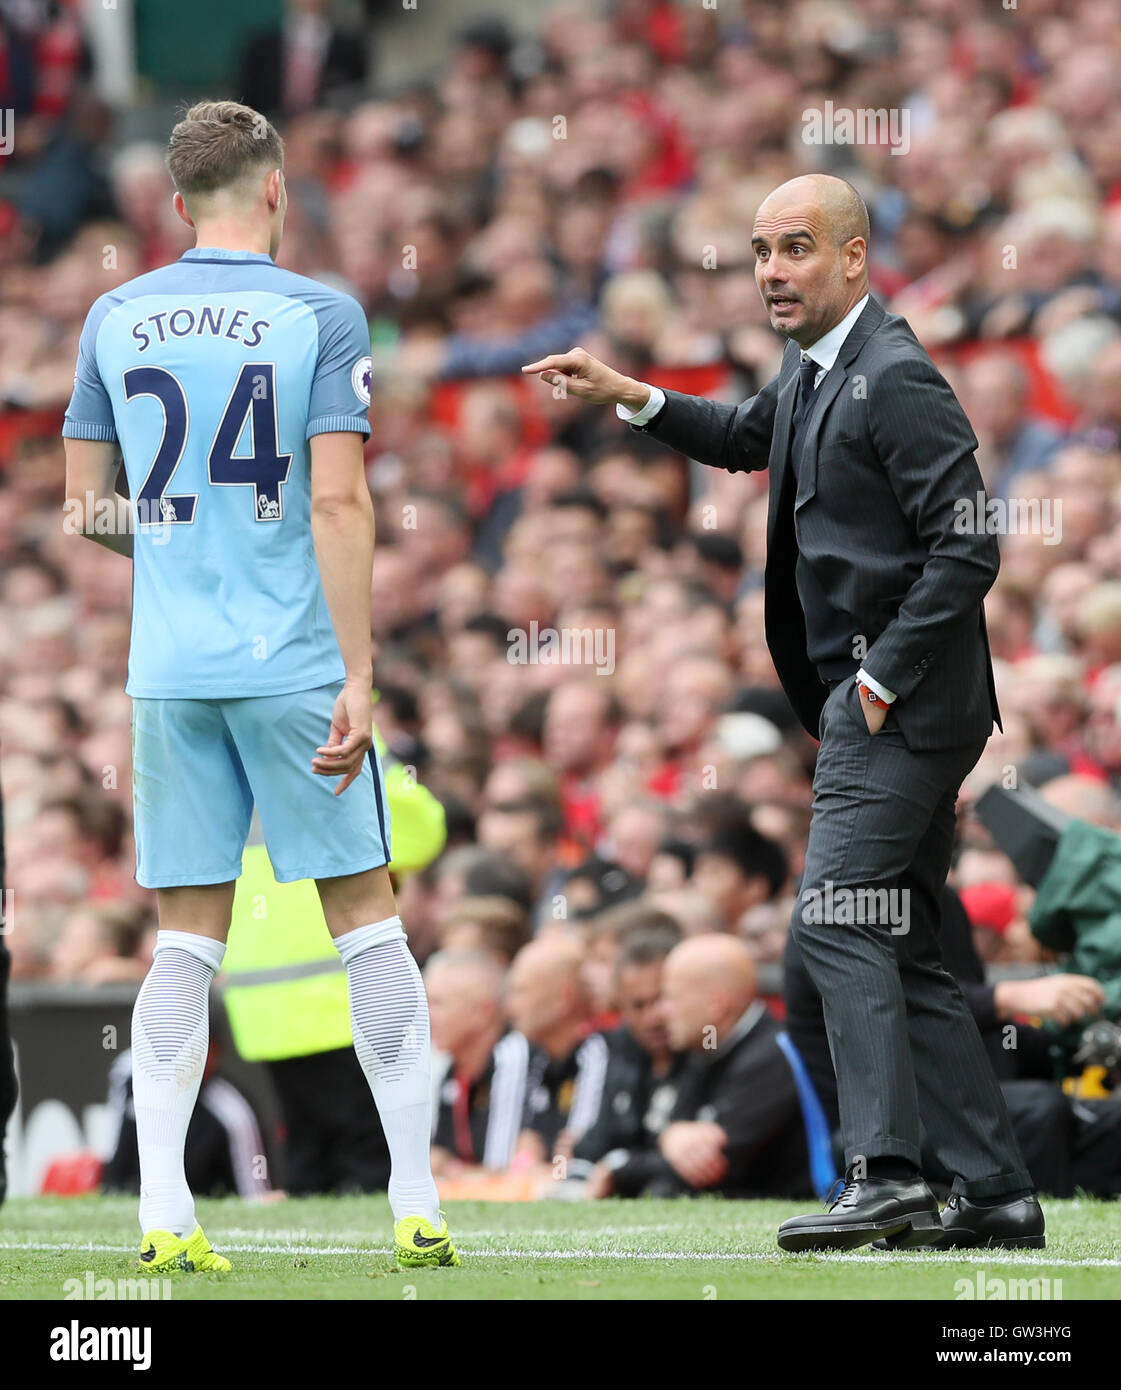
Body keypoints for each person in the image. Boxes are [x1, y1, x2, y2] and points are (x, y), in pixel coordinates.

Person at [524, 172, 1040, 1253]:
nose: (770, 271)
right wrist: (628, 390)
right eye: (760, 251)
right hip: (879, 707)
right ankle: (992, 1191)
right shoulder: (818, 371)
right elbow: (740, 436)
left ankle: (884, 1170)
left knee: (835, 917)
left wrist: (881, 676)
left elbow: (970, 540)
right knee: (894, 940)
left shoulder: (892, 374)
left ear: (853, 257)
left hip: (895, 708)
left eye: (794, 248)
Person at [61, 101, 457, 1273]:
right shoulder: (319, 314)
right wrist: (362, 670)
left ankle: (164, 1216)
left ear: (178, 204)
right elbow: (337, 503)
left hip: (168, 671)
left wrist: (180, 541)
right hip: (288, 658)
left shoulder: (113, 313)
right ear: (276, 188)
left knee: (184, 941)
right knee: (365, 915)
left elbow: (85, 508)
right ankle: (417, 1200)